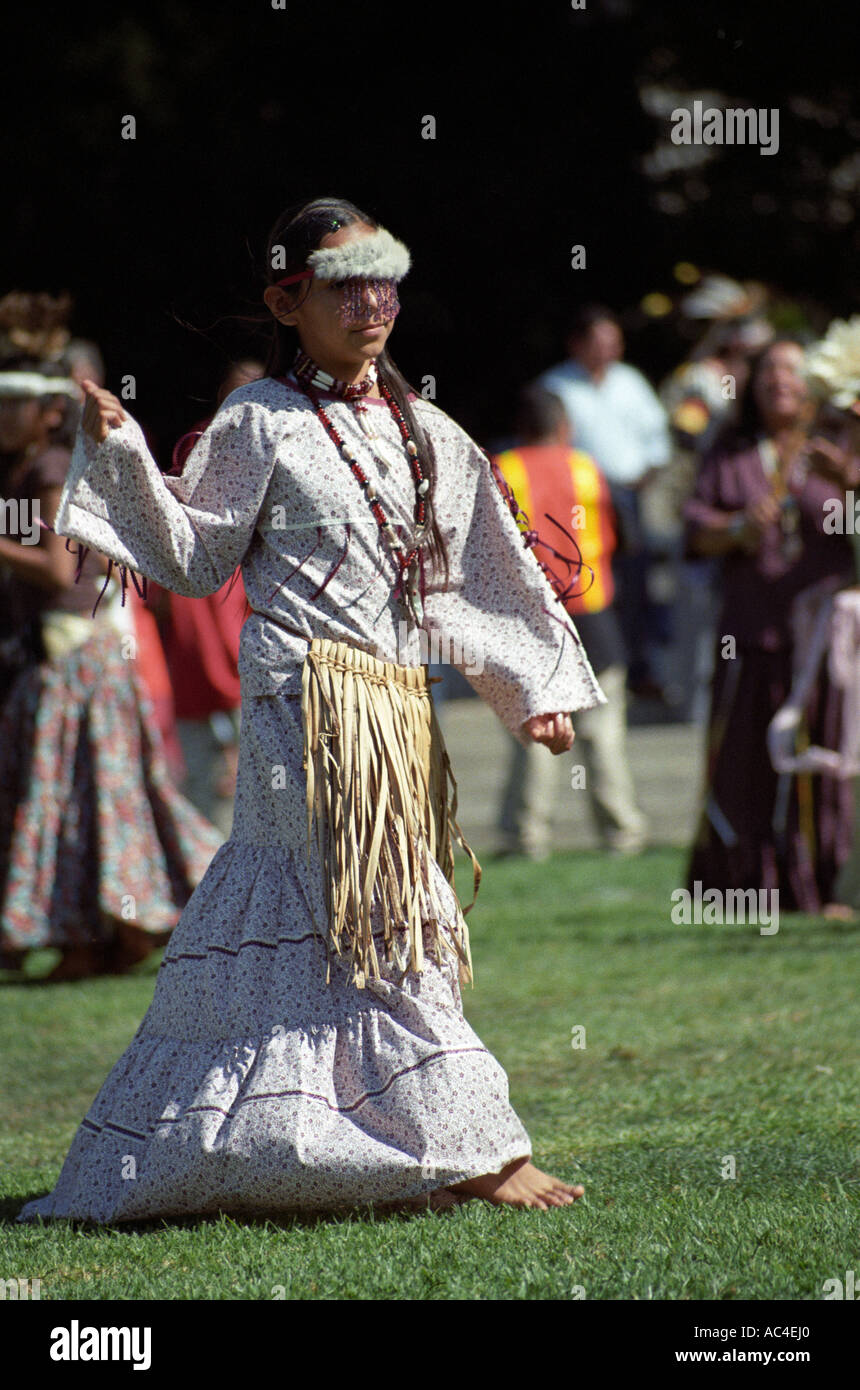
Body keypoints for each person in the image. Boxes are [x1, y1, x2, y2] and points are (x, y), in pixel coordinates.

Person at [19, 198, 604, 1223]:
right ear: (287, 301)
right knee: (381, 915)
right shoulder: (256, 422)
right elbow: (197, 558)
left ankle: (254, 1140)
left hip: (392, 711)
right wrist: (121, 456)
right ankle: (470, 1145)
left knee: (343, 921)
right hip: (304, 711)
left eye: (384, 277)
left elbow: (461, 579)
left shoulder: (422, 430)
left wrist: (524, 690)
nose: (373, 300)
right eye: (345, 282)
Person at [0, 297, 223, 982]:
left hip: (79, 658)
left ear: (47, 412)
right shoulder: (23, 469)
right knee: (73, 798)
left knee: (77, 796)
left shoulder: (47, 469)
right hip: (58, 654)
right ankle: (97, 934)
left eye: (11, 405)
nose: (1, 418)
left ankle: (110, 928)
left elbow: (60, 564)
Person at [683, 338, 855, 912]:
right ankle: (742, 889)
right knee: (745, 764)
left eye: (793, 368)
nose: (781, 378)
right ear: (753, 385)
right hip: (751, 635)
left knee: (822, 765)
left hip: (824, 642)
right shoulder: (730, 451)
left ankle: (826, 885)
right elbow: (695, 532)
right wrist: (736, 529)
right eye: (769, 370)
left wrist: (851, 479)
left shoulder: (840, 444)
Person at [494, 386, 646, 857]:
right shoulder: (588, 467)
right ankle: (622, 832)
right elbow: (625, 539)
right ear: (564, 427)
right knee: (603, 734)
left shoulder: (502, 469)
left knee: (534, 728)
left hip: (529, 621)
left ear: (520, 428)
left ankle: (528, 836)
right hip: (594, 617)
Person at [538, 305, 672, 698]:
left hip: (629, 495)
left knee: (634, 580)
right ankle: (587, 662)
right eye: (599, 344)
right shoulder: (557, 386)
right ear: (576, 344)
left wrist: (645, 477)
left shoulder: (630, 382)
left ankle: (635, 666)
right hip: (577, 500)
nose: (608, 352)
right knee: (584, 576)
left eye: (614, 344)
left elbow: (657, 437)